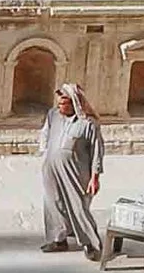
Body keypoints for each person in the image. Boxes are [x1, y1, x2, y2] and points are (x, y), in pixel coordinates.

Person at [39, 79, 106, 259]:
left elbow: (97, 151)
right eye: (59, 103)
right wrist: (45, 153)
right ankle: (58, 239)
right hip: (51, 169)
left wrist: (95, 177)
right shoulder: (53, 115)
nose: (60, 107)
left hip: (75, 172)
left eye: (64, 103)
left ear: (74, 103)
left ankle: (91, 243)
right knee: (53, 203)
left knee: (79, 206)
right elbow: (45, 134)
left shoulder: (88, 124)